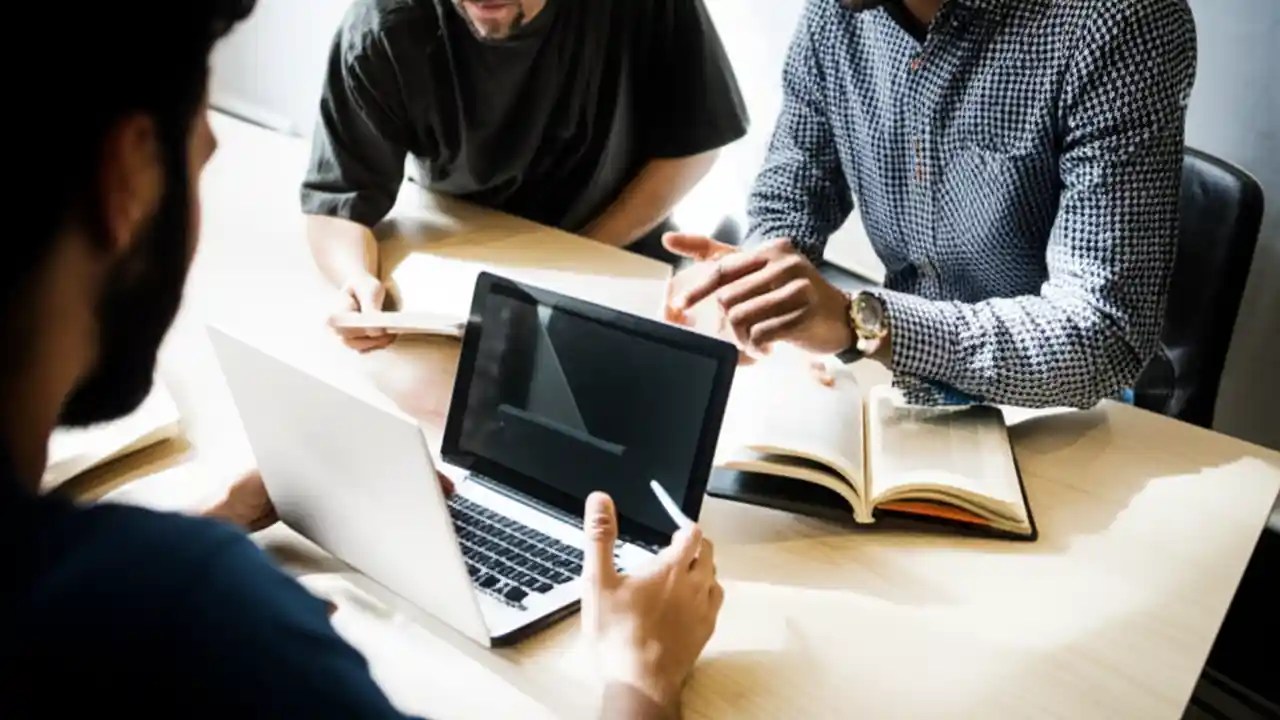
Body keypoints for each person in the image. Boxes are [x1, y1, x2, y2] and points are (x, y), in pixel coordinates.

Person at [1, 3, 722, 718]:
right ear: (126, 177)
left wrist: (217, 515)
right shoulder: (207, 617)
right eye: (203, 153)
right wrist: (641, 681)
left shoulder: (111, 584)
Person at [663, 0, 1197, 409]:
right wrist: (756, 289)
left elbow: (1102, 335)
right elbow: (790, 196)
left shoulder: (1119, 19)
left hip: (1063, 413)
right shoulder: (838, 12)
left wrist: (859, 323)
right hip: (894, 385)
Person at [305, 0, 750, 352]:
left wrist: (584, 252)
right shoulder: (383, 26)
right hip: (454, 251)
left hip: (616, 243)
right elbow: (338, 199)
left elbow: (696, 141)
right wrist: (356, 281)